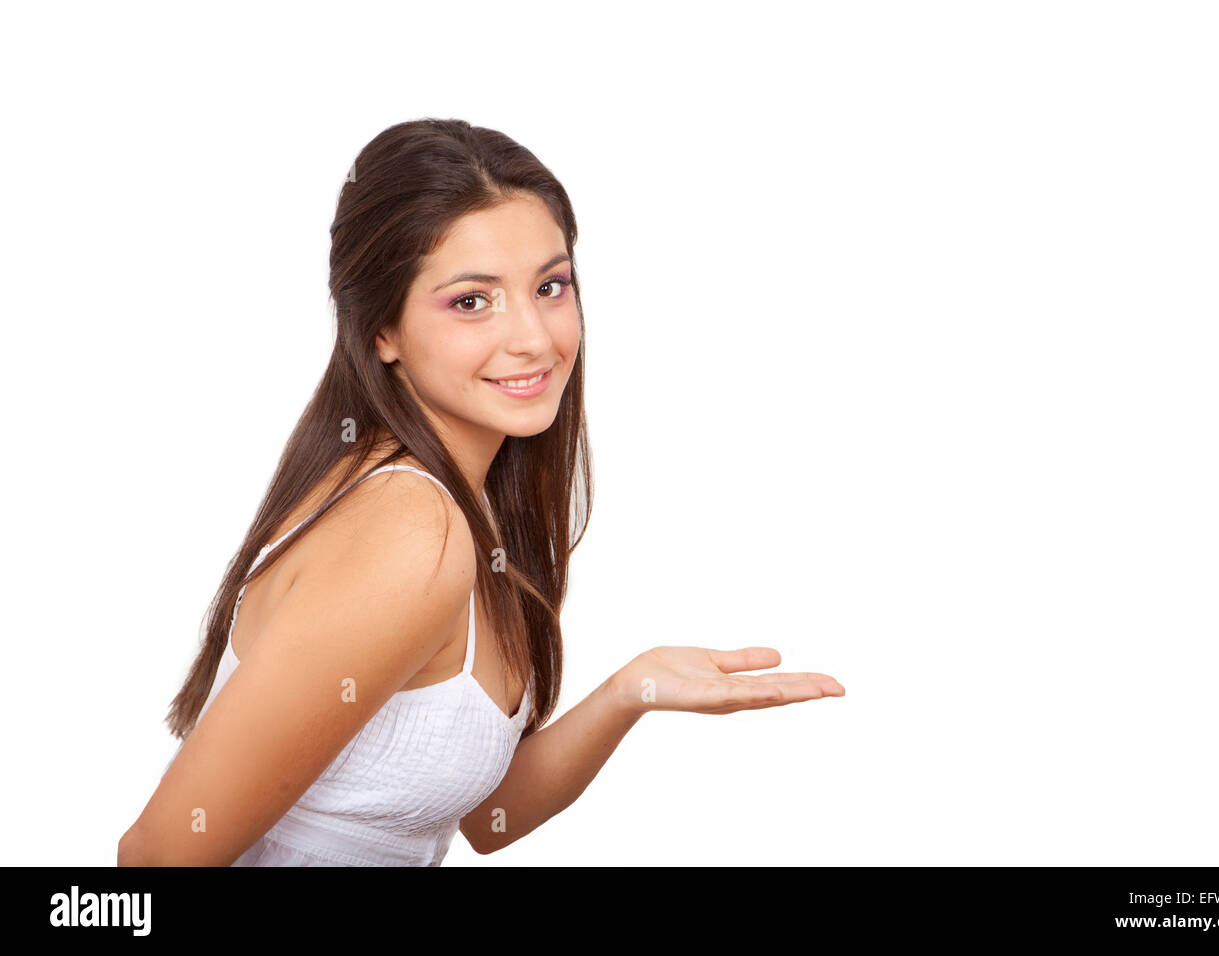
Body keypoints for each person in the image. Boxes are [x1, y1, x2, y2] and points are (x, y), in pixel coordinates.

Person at [116, 118, 844, 866]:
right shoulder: (411, 528)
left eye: (550, 287)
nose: (534, 337)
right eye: (472, 301)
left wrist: (632, 691)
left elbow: (486, 821)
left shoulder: (461, 502)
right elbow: (158, 860)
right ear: (381, 332)